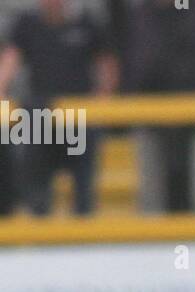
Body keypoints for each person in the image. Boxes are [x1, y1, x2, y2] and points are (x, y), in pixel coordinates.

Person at [0, 0, 116, 216]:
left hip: (79, 118)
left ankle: (84, 241)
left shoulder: (86, 23)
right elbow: (10, 60)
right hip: (41, 117)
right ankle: (43, 242)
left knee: (83, 189)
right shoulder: (28, 24)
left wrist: (102, 101)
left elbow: (106, 63)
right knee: (38, 189)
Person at [123, 0, 195, 213]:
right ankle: (152, 242)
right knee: (152, 191)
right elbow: (130, 60)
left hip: (194, 113)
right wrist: (137, 94)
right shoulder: (139, 15)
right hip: (150, 113)